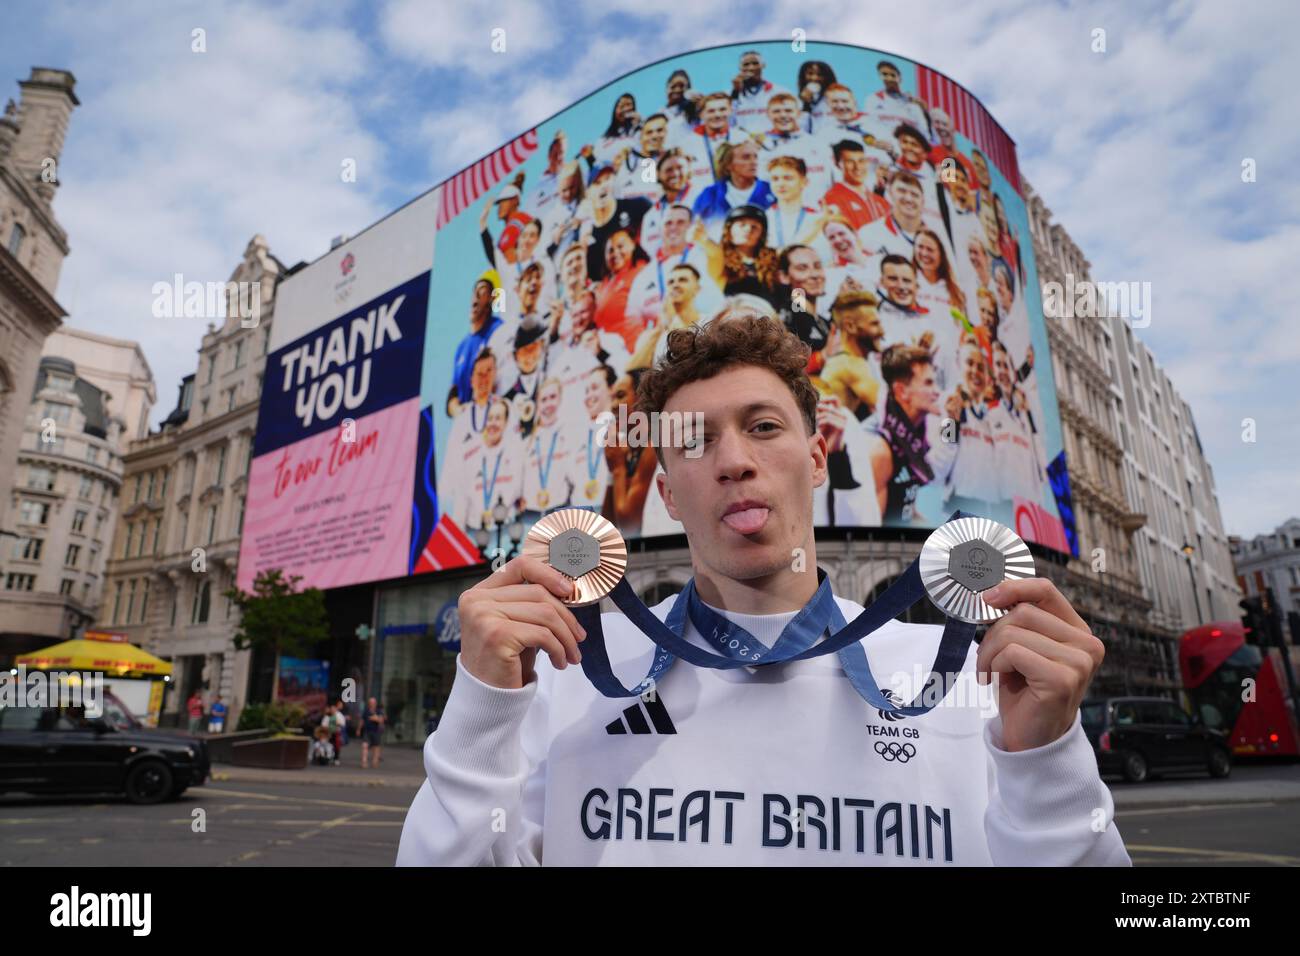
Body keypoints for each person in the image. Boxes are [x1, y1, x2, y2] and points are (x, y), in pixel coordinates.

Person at [397, 314, 1130, 866]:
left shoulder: (965, 680)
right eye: (695, 442)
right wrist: (481, 706)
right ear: (668, 494)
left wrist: (1047, 761)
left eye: (764, 427)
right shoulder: (570, 672)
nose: (734, 461)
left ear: (815, 459)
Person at [361, 697, 386, 769]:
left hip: (376, 731)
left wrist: (376, 719)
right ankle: (364, 762)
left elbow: (382, 720)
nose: (371, 704)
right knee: (364, 746)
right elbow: (362, 720)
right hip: (367, 731)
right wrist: (359, 729)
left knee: (376, 747)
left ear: (375, 703)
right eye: (370, 703)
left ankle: (375, 761)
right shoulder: (366, 711)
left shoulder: (379, 711)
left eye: (373, 703)